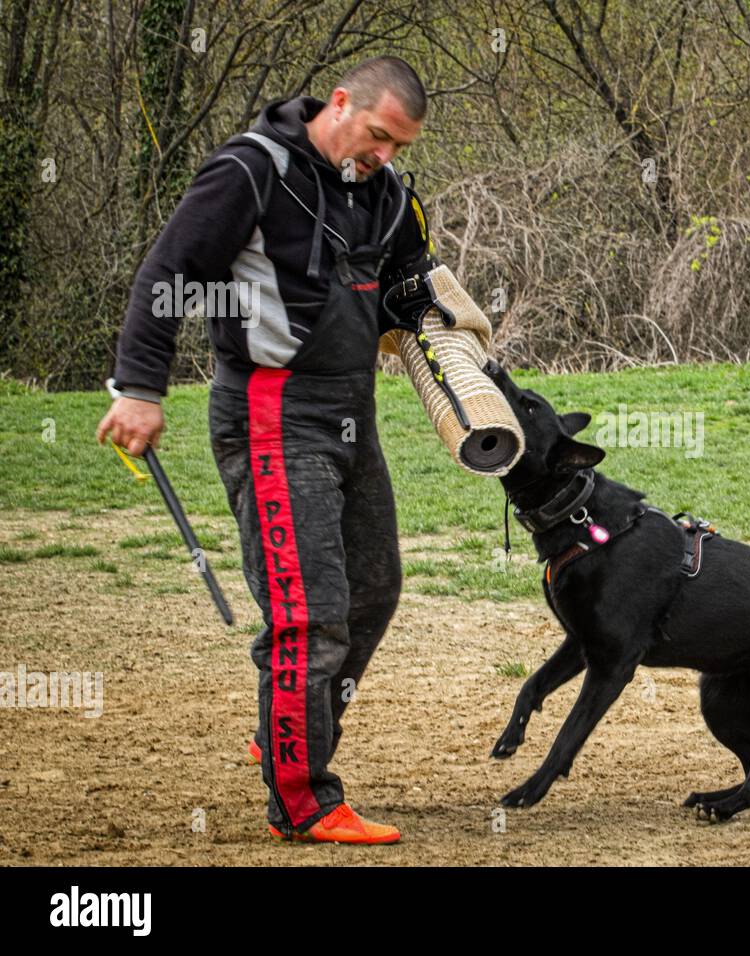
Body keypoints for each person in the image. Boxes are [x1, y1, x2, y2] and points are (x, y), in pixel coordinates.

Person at [97, 56, 436, 841]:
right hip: (270, 413)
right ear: (341, 102)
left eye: (399, 147)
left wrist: (452, 337)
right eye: (378, 135)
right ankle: (302, 797)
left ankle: (287, 728)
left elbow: (411, 283)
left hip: (353, 413)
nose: (383, 155)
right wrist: (138, 389)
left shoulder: (387, 195)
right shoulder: (251, 171)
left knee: (374, 592)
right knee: (307, 615)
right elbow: (167, 273)